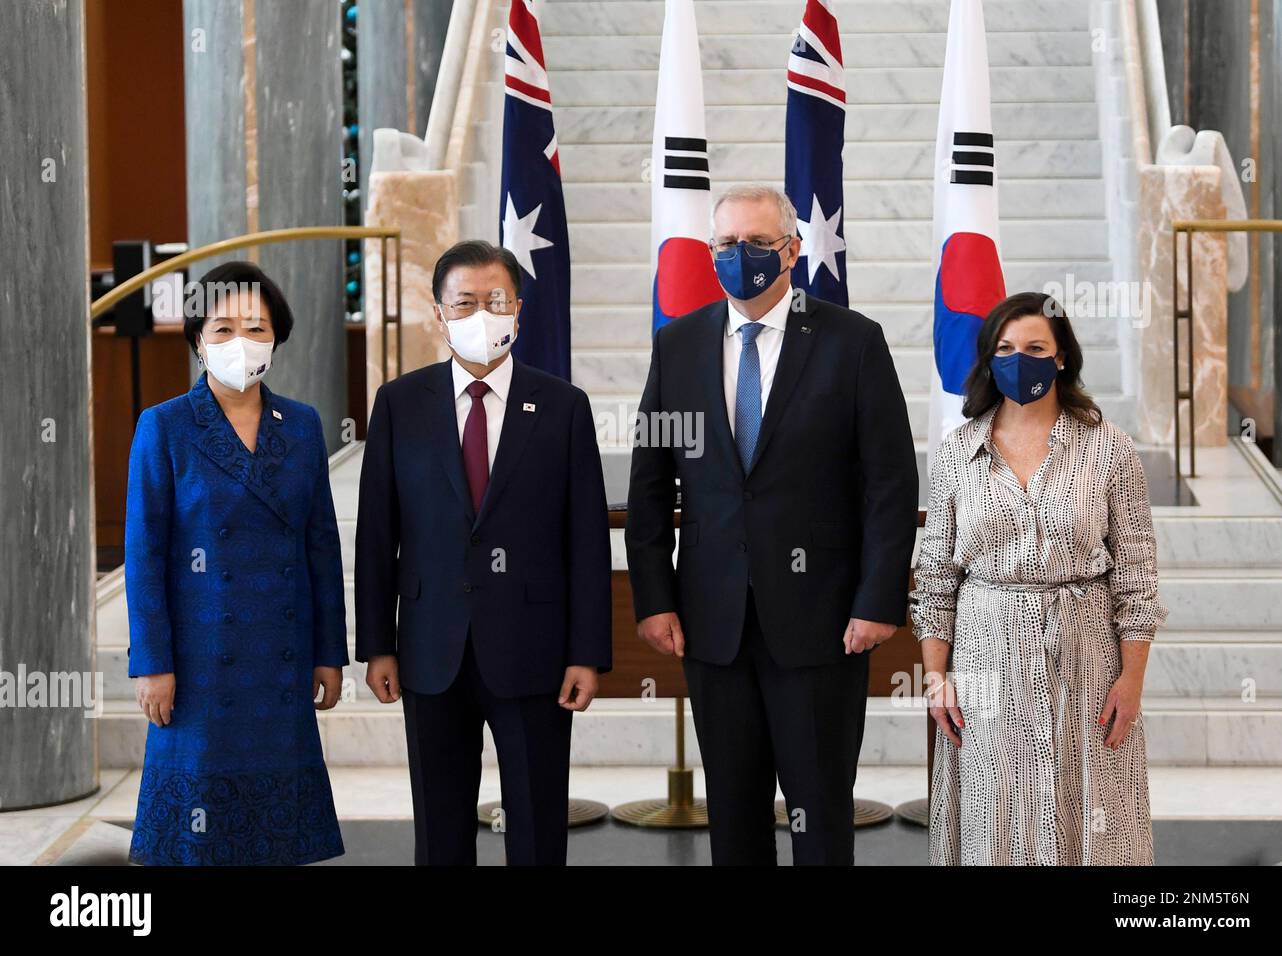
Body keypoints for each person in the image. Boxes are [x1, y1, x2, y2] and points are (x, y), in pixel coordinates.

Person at [625, 184, 918, 865]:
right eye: (726, 245)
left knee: (819, 816)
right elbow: (649, 487)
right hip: (712, 624)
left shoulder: (853, 343)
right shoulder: (680, 346)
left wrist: (879, 600)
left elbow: (889, 485)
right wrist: (655, 598)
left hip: (823, 626)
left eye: (757, 243)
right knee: (733, 817)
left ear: (791, 250)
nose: (740, 257)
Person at [354, 240, 611, 866]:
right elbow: (375, 534)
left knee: (538, 822)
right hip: (429, 647)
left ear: (517, 310)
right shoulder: (399, 404)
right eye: (463, 302)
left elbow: (587, 541)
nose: (480, 314)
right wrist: (377, 644)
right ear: (438, 315)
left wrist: (587, 653)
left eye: (494, 301)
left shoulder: (564, 407)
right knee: (440, 828)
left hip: (536, 650)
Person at [911, 290, 1169, 866]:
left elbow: (1137, 575)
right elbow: (935, 579)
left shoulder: (1109, 449)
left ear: (1060, 358)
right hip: (986, 662)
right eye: (1005, 348)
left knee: (1095, 816)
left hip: (1086, 660)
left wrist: (1131, 681)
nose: (1018, 359)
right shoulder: (958, 452)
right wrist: (935, 677)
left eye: (1034, 347)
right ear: (988, 358)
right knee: (995, 817)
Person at [126, 261, 348, 865]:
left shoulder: (301, 425)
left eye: (255, 328)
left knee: (277, 837)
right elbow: (143, 554)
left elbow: (320, 547)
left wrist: (330, 652)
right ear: (198, 339)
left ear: (276, 337)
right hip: (199, 664)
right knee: (197, 840)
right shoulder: (165, 426)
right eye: (222, 329)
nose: (239, 342)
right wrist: (152, 661)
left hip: (280, 660)